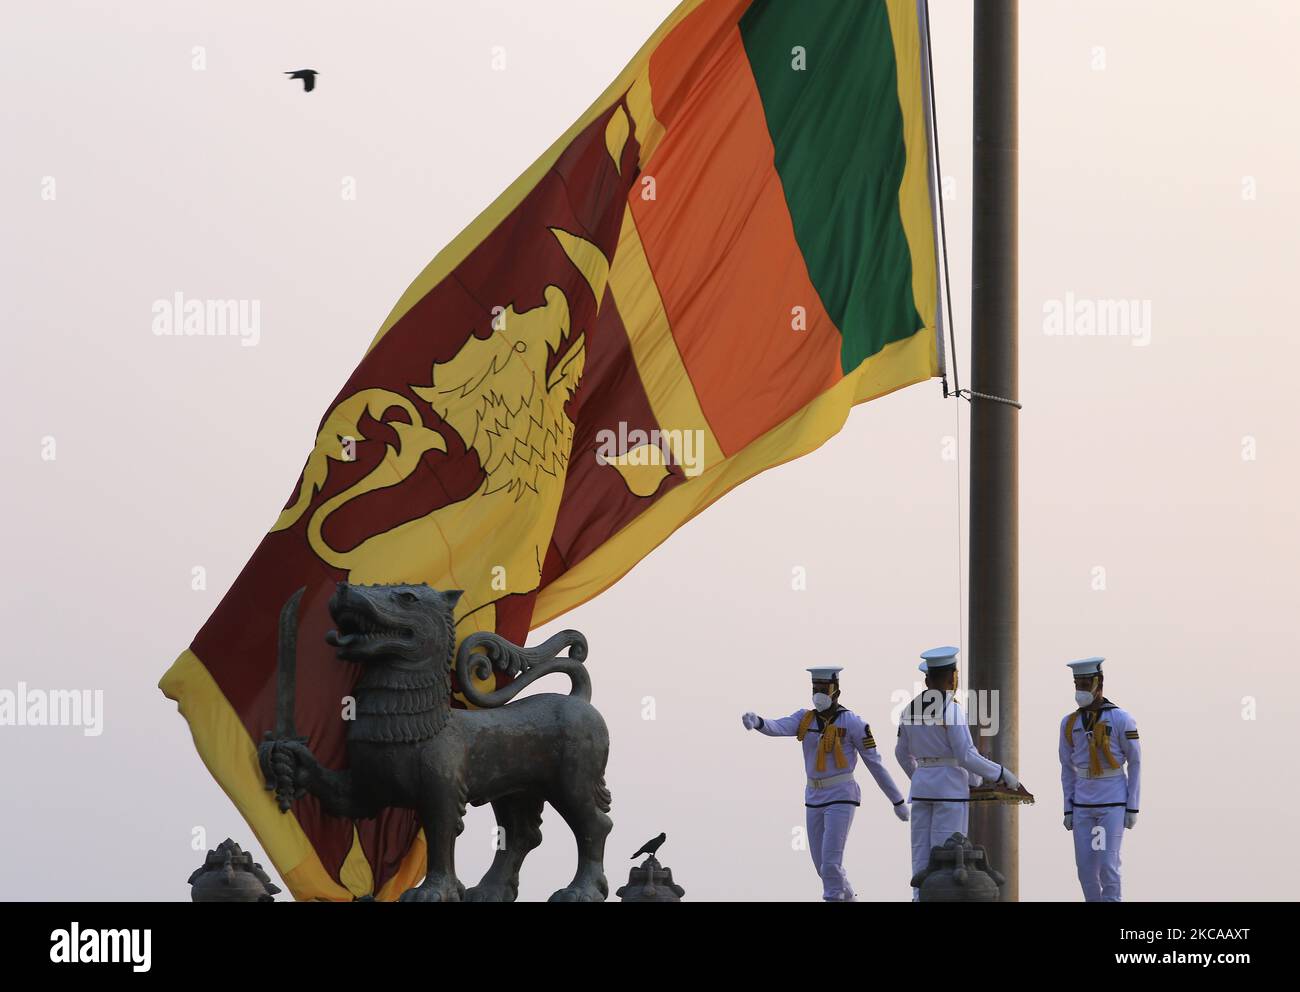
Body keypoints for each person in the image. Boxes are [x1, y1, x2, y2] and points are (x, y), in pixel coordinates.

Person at [742, 667, 908, 901]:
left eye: (823, 689)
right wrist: (758, 722)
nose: (818, 694)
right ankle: (849, 898)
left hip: (841, 795)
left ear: (836, 691)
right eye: (815, 689)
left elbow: (875, 763)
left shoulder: (853, 722)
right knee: (822, 866)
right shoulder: (805, 718)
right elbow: (779, 726)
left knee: (831, 862)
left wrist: (897, 800)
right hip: (814, 796)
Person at [894, 646, 1021, 901]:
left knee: (921, 859)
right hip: (950, 791)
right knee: (948, 858)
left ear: (927, 679)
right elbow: (966, 755)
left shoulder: (909, 709)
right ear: (954, 677)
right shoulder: (950, 709)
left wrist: (921, 776)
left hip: (921, 791)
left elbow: (900, 754)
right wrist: (1001, 773)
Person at [1060, 657, 1140, 902]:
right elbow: (1066, 767)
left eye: (1085, 683)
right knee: (1085, 870)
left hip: (1112, 801)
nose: (1080, 690)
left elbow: (1135, 762)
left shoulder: (1120, 719)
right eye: (1077, 684)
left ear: (1099, 683)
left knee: (1108, 865)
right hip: (1083, 803)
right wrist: (1068, 807)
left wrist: (1132, 805)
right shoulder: (1069, 722)